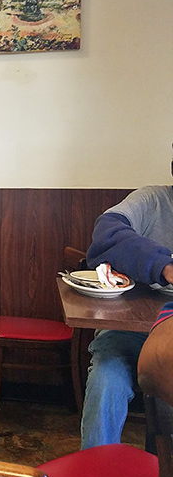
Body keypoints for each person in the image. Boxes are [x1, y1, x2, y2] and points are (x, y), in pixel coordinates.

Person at [81, 173, 173, 448]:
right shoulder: (153, 200)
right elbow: (107, 229)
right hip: (130, 329)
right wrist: (163, 265)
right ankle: (94, 472)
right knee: (106, 377)